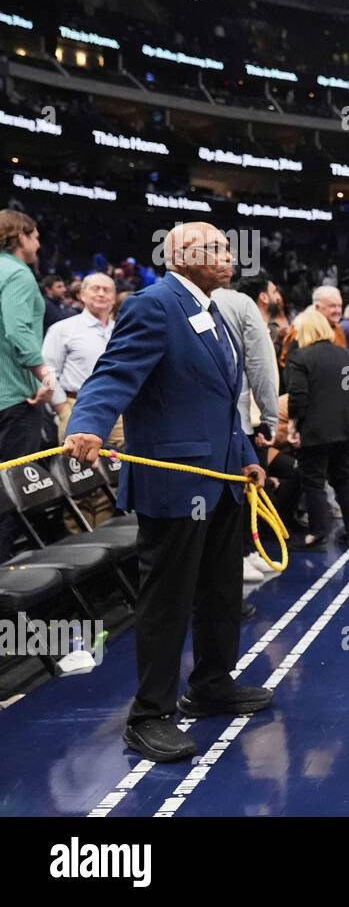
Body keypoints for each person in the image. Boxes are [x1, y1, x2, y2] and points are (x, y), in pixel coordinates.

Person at [64, 221, 271, 764]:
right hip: (175, 482)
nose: (230, 255)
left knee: (222, 592)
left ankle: (210, 686)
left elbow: (223, 402)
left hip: (222, 482)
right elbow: (112, 374)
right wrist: (86, 423)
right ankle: (149, 715)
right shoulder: (153, 304)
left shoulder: (215, 308)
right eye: (217, 247)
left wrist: (246, 459)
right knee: (166, 602)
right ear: (180, 255)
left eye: (229, 247)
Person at [213, 281, 281, 592]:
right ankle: (236, 558)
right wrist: (270, 418)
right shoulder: (241, 304)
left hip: (201, 423)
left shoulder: (161, 298)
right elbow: (261, 366)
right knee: (239, 493)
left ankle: (246, 551)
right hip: (239, 419)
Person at [284, 309, 349, 549]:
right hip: (347, 429)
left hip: (315, 431)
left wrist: (293, 426)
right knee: (345, 480)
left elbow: (298, 397)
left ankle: (318, 533)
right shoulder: (347, 355)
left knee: (314, 481)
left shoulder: (300, 358)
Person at [0, 211, 57, 563]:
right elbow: (18, 330)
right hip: (16, 398)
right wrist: (45, 375)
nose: (38, 243)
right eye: (35, 236)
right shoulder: (19, 274)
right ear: (21, 236)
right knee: (12, 493)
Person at [44, 272, 122, 448]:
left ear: (114, 298)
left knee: (126, 466)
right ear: (82, 294)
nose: (101, 293)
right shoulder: (62, 329)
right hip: (76, 408)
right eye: (95, 289)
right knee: (79, 470)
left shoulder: (122, 331)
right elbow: (47, 370)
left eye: (107, 290)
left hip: (118, 409)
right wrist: (61, 406)